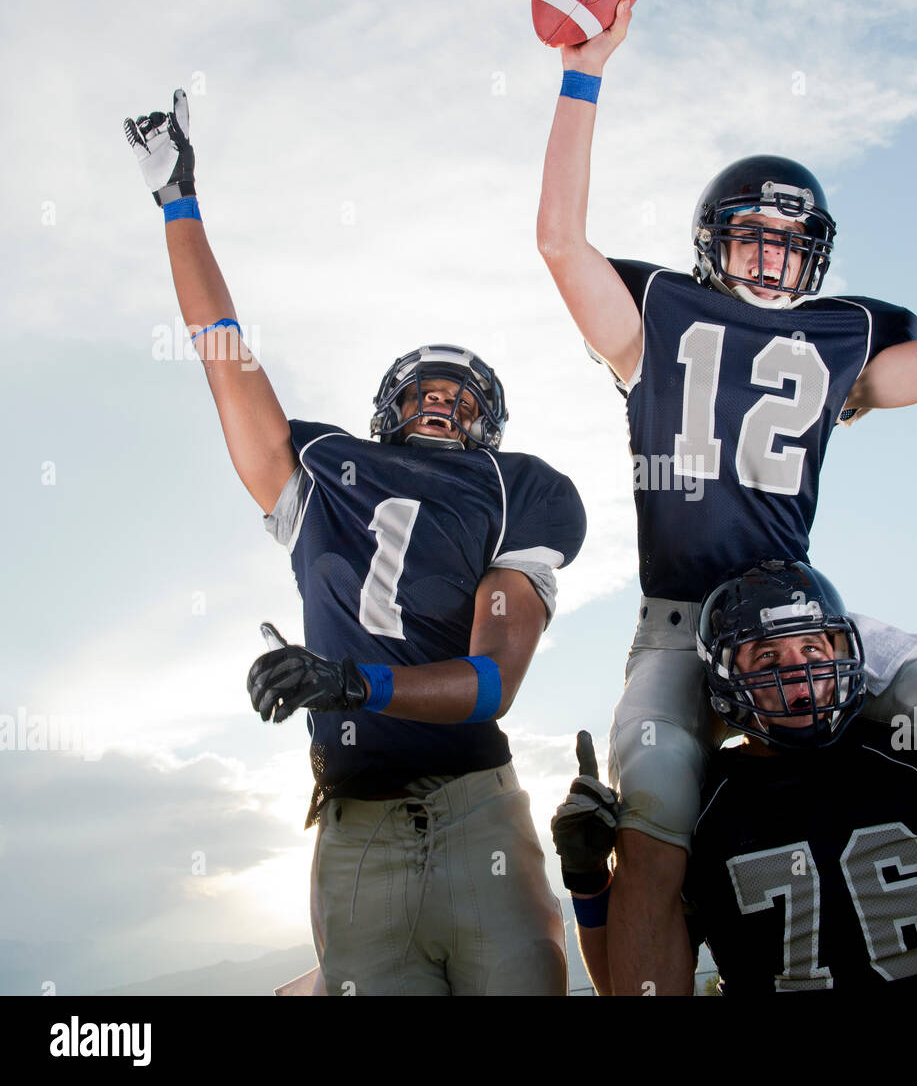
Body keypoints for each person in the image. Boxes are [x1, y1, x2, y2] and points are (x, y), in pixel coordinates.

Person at [536, 3, 917, 996]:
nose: (772, 255)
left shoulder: (838, 339)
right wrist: (584, 73)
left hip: (806, 618)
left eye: (790, 239)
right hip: (681, 628)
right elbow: (560, 240)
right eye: (752, 235)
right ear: (711, 244)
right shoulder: (654, 322)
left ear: (814, 252)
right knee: (653, 807)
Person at [126, 91, 586, 995]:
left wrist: (349, 681)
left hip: (476, 810)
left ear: (490, 422)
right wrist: (179, 204)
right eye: (426, 392)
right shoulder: (326, 473)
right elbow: (223, 353)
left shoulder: (512, 488)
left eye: (461, 395)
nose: (443, 402)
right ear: (386, 413)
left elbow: (491, 685)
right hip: (353, 824)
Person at [553, 561, 917, 996]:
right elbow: (636, 984)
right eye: (768, 659)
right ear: (722, 680)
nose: (799, 677)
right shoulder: (703, 803)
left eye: (813, 652)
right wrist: (587, 883)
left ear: (848, 655)